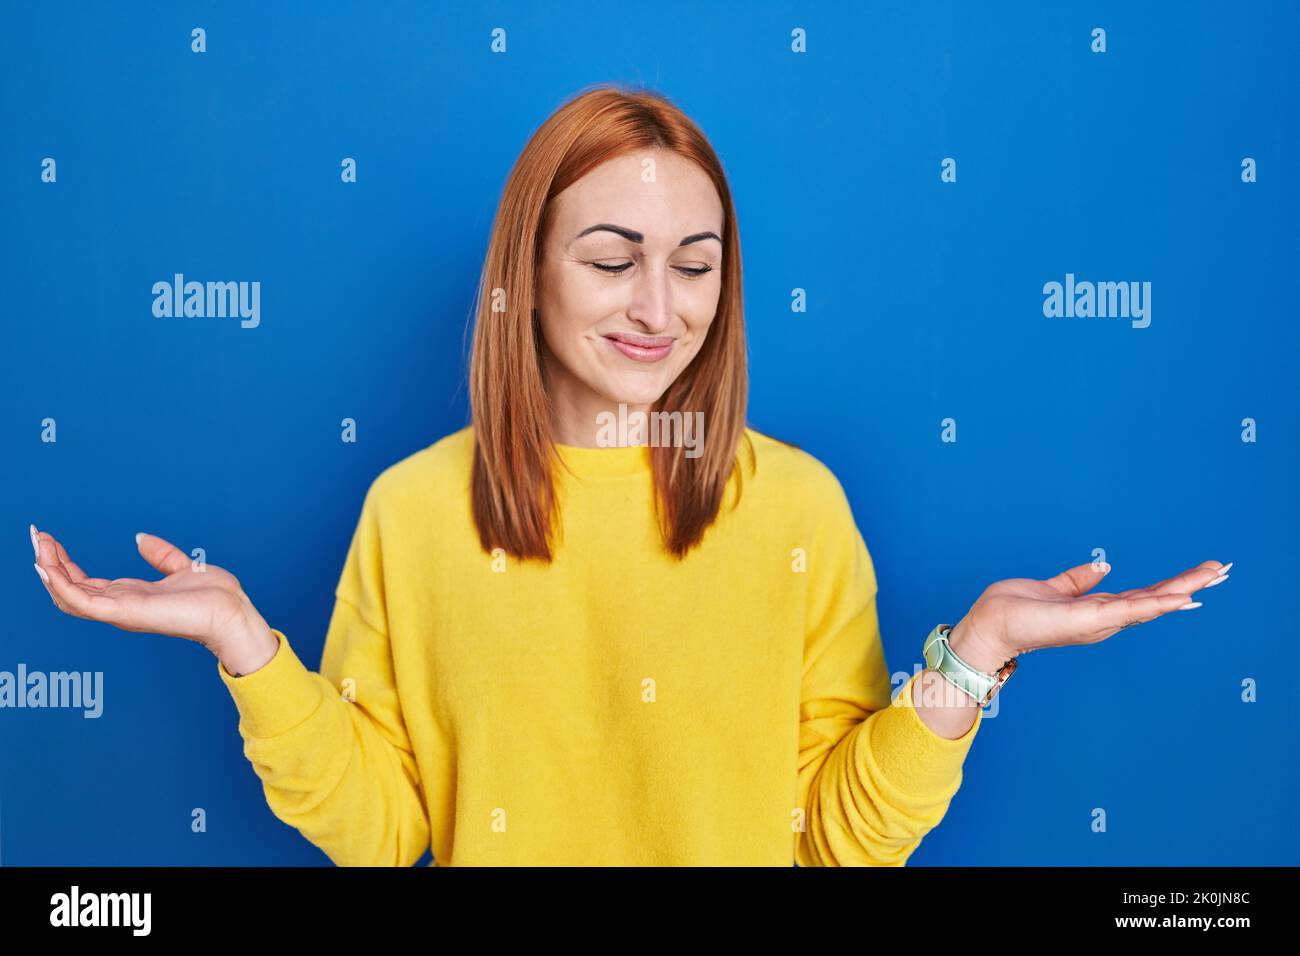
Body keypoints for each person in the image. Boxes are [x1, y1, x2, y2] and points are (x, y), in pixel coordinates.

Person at [28, 84, 1231, 867]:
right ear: (528, 271)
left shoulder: (797, 505)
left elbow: (833, 837)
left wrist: (975, 653)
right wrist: (247, 643)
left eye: (695, 265)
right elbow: (387, 831)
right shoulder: (413, 511)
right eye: (613, 259)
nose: (662, 309)